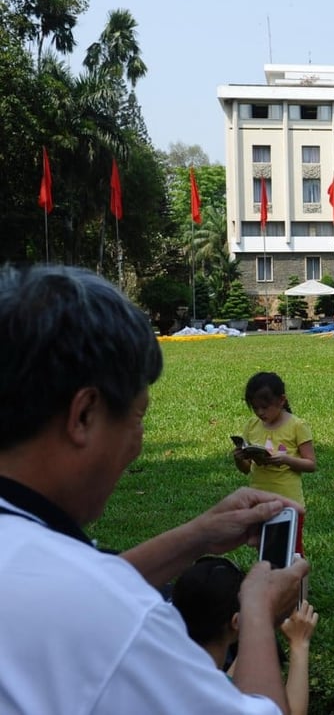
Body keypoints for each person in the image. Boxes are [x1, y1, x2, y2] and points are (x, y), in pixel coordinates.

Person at [0, 263, 309, 714]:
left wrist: (197, 535)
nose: (137, 446)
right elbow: (91, 601)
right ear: (84, 414)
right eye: (137, 418)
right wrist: (258, 616)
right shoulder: (122, 621)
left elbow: (54, 585)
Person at [171, 556, 320, 715]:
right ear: (236, 622)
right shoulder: (215, 700)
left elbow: (229, 683)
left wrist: (263, 622)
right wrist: (299, 643)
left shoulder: (163, 668)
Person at [234, 372, 316, 555]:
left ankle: (298, 584)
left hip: (289, 504)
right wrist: (239, 458)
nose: (260, 413)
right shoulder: (252, 426)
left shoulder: (297, 426)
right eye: (255, 408)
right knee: (266, 552)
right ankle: (270, 582)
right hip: (260, 501)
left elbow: (311, 464)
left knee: (291, 553)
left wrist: (286, 460)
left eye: (265, 407)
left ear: (281, 400)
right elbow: (246, 469)